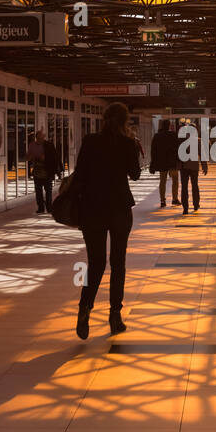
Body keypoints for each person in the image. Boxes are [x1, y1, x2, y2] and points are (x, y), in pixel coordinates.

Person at [72, 102, 141, 339]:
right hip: (119, 208)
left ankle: (84, 308)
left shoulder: (90, 141)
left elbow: (79, 173)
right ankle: (114, 316)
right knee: (118, 263)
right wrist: (132, 144)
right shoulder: (126, 142)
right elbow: (136, 174)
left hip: (92, 208)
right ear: (124, 121)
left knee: (96, 262)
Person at [149, 119, 180, 207]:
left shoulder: (157, 136)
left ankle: (162, 200)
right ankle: (174, 199)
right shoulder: (173, 135)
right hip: (172, 162)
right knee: (175, 180)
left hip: (162, 162)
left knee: (162, 180)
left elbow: (153, 150)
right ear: (169, 126)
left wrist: (153, 163)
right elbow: (178, 148)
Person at [179, 123, 208, 215]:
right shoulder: (198, 141)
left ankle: (185, 208)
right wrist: (204, 166)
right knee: (194, 185)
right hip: (194, 167)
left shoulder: (181, 140)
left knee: (184, 187)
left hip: (183, 167)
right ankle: (196, 204)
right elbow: (202, 155)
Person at [28, 128, 56, 213]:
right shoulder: (32, 145)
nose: (41, 139)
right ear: (36, 137)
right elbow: (28, 156)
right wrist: (30, 157)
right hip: (37, 171)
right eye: (39, 137)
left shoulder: (49, 145)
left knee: (48, 191)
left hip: (47, 171)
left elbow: (54, 157)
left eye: (42, 137)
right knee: (38, 191)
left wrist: (45, 158)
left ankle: (49, 207)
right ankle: (40, 207)